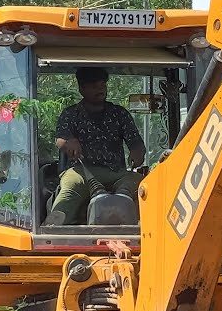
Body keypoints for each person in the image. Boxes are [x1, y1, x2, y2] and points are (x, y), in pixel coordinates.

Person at [44, 67, 146, 225]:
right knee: (69, 190)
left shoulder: (119, 113)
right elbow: (61, 139)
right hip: (80, 172)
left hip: (116, 173)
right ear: (82, 89)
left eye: (102, 85)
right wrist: (68, 142)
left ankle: (147, 226)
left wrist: (137, 152)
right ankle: (53, 227)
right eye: (94, 86)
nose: (100, 90)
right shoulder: (71, 114)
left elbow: (136, 142)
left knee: (142, 184)